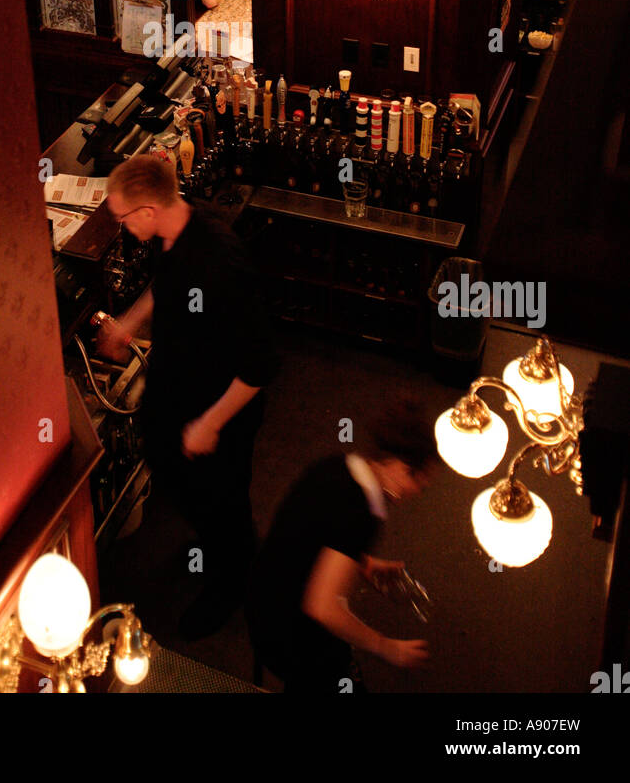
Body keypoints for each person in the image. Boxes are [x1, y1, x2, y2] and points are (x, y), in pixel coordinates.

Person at [97, 156, 274, 638]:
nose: (122, 227)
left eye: (124, 217)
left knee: (224, 502)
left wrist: (211, 424)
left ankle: (231, 583)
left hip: (221, 411)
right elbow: (166, 284)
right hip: (182, 390)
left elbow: (260, 365)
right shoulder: (174, 232)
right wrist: (129, 324)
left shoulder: (220, 262)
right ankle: (212, 535)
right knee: (175, 472)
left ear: (150, 210)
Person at [245, 396, 435, 694]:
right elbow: (322, 607)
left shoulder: (338, 464)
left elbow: (311, 537)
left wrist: (364, 564)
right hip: (284, 630)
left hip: (261, 595)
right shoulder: (362, 516)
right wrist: (386, 648)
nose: (418, 492)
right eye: (420, 482)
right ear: (402, 467)